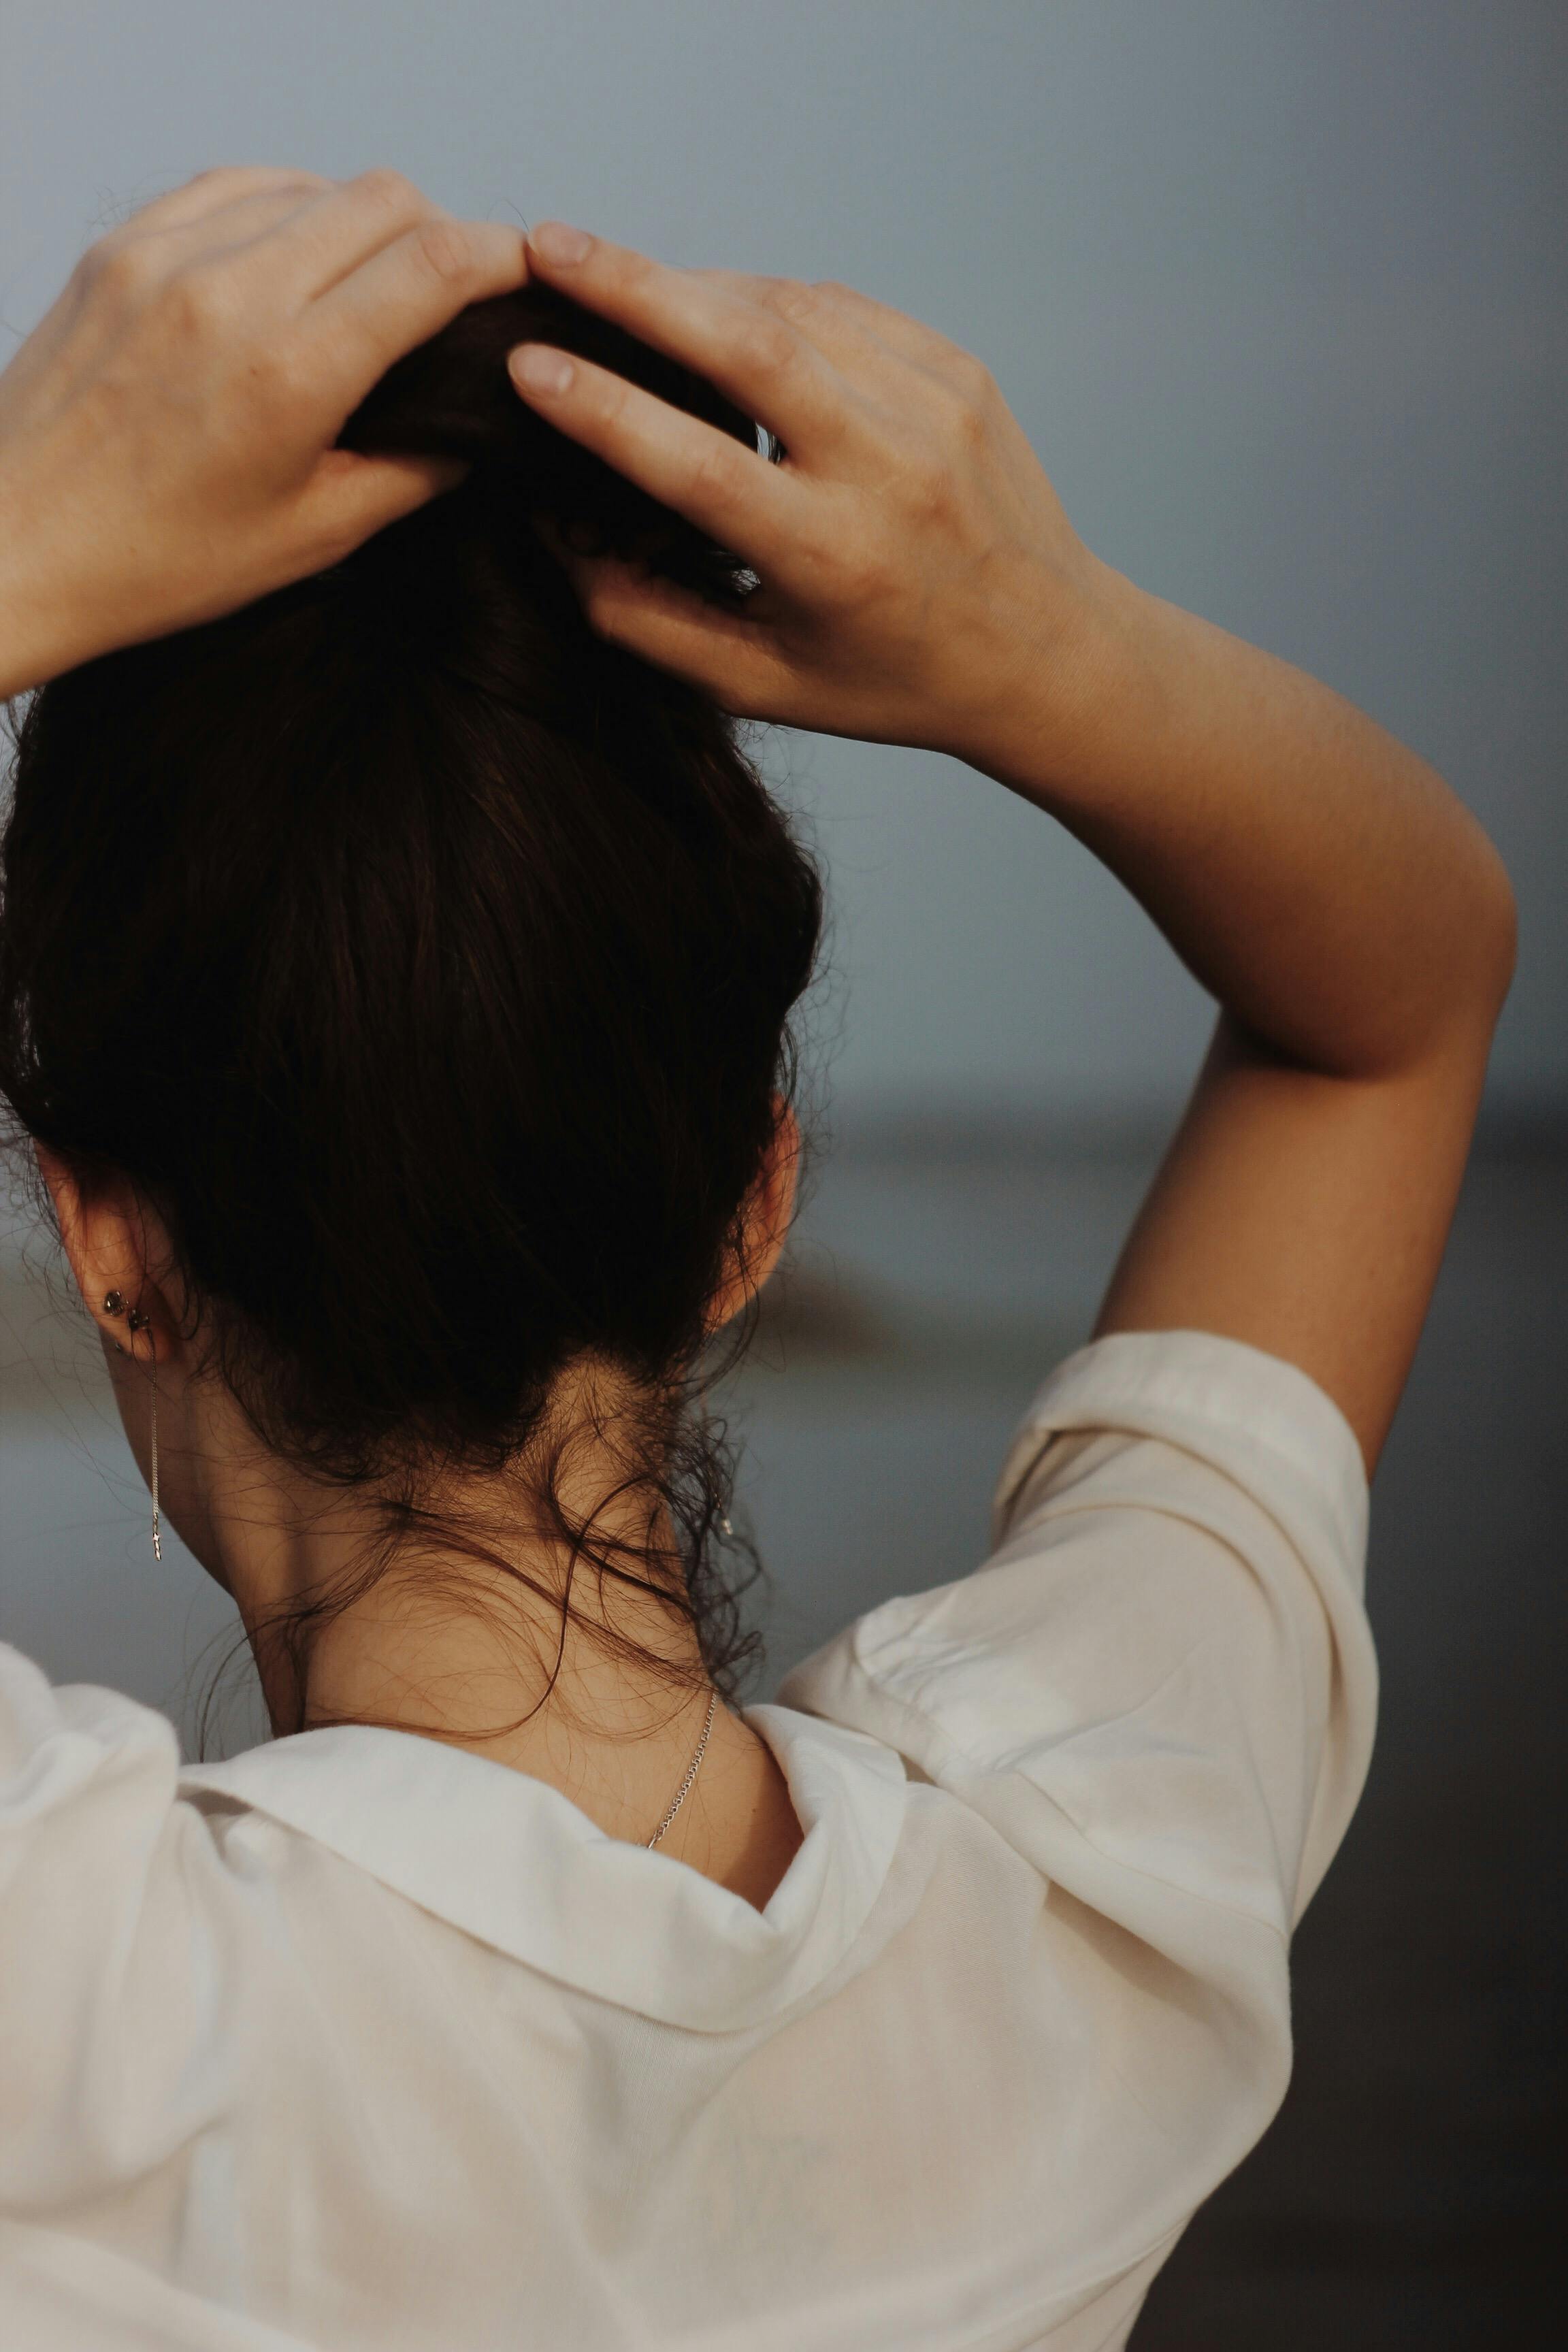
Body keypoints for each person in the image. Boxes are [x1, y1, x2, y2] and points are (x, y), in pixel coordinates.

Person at [0, 168, 1514, 2352]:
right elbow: (1393, 1006)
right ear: (752, 1208)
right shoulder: (1085, 1918)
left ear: (112, 1248)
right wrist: (1050, 643)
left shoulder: (78, 2018)